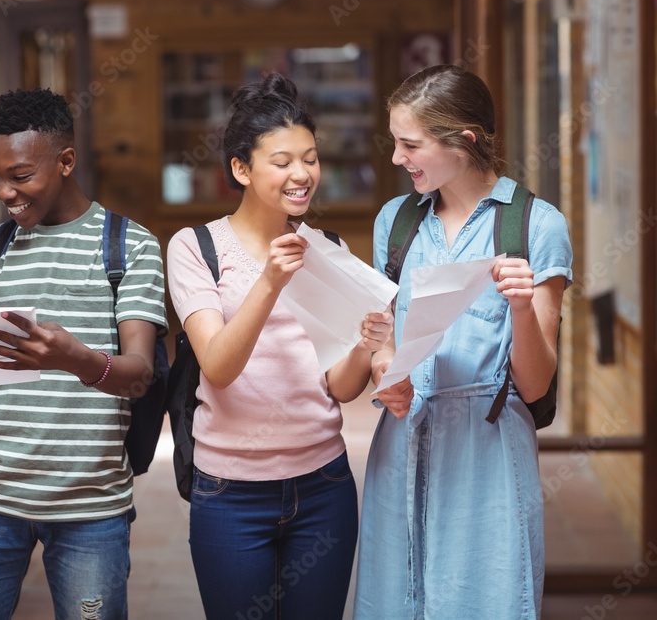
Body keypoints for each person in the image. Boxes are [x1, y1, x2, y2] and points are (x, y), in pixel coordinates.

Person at [165, 72, 393, 620]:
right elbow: (217, 367)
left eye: (310, 158)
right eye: (283, 161)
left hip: (324, 487)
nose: (302, 174)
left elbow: (338, 387)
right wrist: (269, 282)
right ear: (241, 169)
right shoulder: (195, 248)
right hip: (230, 494)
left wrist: (365, 345)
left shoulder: (328, 247)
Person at [354, 64, 572, 619]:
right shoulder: (395, 221)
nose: (398, 158)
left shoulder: (535, 226)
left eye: (410, 144)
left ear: (464, 141)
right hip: (401, 443)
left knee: (486, 598)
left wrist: (521, 308)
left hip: (489, 444)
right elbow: (386, 334)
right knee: (394, 601)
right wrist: (386, 370)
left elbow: (536, 380)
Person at [0, 87, 167, 620]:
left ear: (65, 161)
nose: (5, 192)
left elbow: (139, 377)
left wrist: (74, 358)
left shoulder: (129, 247)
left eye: (20, 176)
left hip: (91, 507)